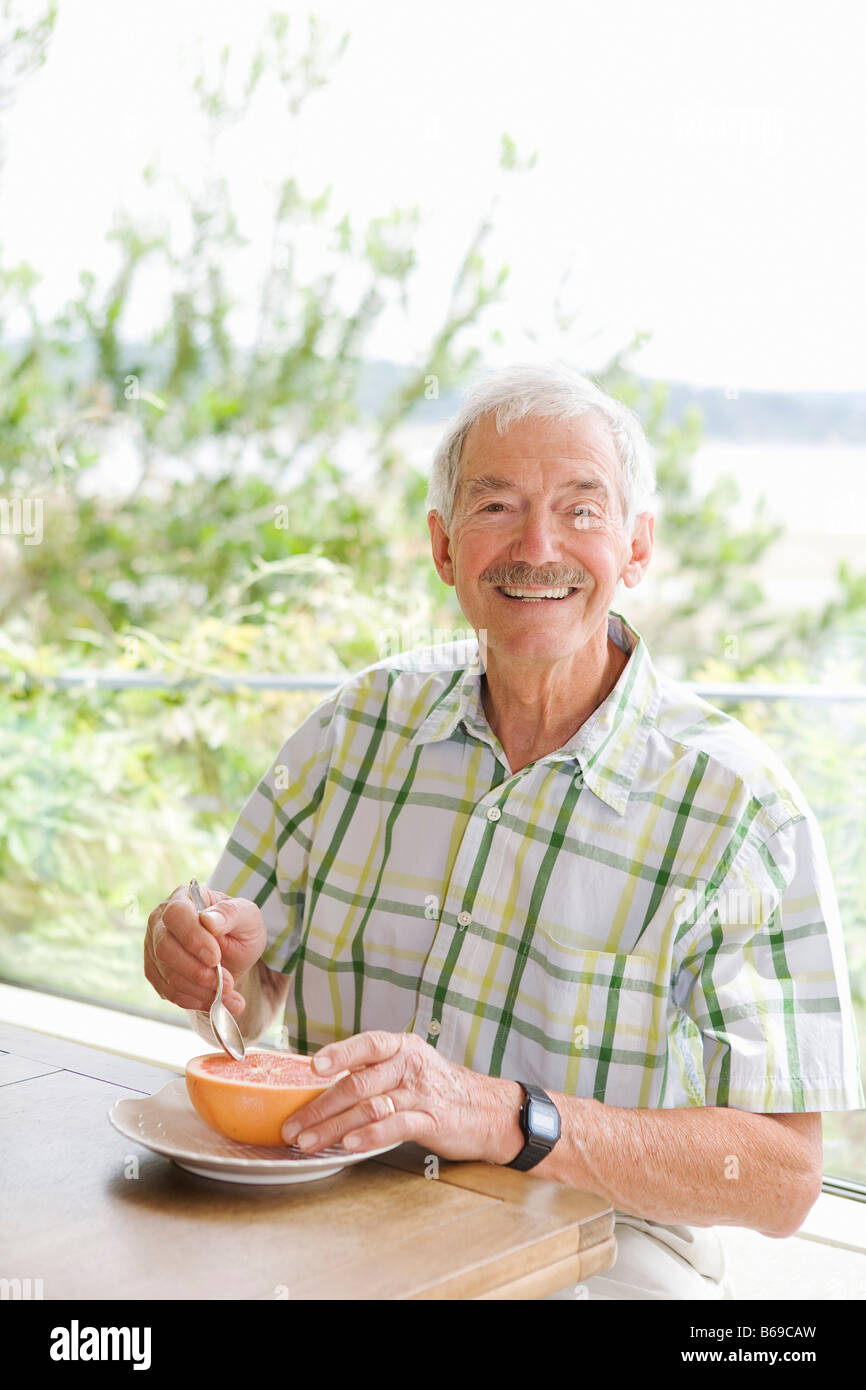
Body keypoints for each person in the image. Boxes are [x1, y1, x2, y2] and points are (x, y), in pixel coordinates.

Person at [144, 361, 863, 1300]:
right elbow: (246, 995)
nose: (537, 546)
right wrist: (204, 960)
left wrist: (505, 1118)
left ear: (635, 548)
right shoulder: (357, 725)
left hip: (597, 1252)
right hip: (334, 1201)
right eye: (496, 508)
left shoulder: (738, 809)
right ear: (444, 548)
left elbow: (780, 1178)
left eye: (580, 509)